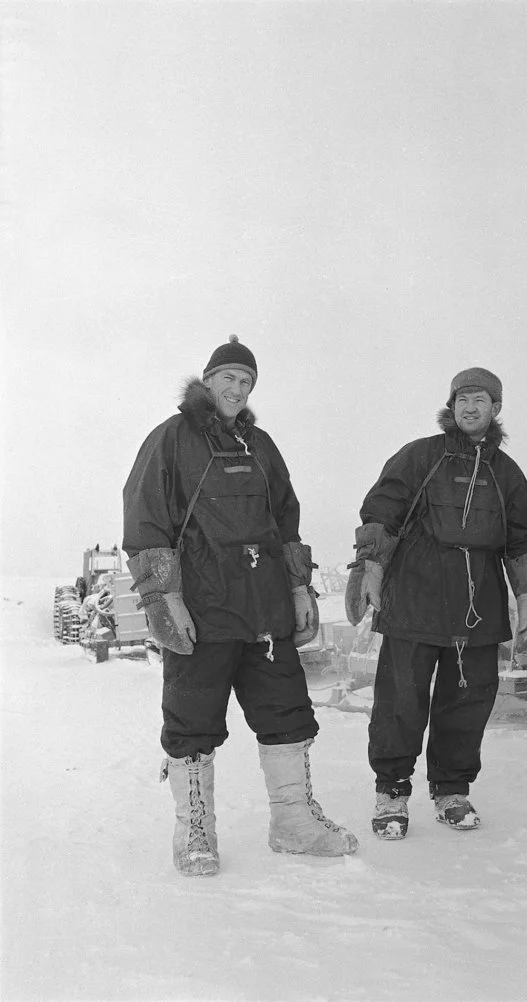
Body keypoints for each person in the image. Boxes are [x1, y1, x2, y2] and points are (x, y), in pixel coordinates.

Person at [123, 336, 358, 876]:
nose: (236, 388)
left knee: (288, 713)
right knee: (193, 722)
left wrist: (299, 589)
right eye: (227, 377)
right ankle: (195, 830)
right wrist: (165, 599)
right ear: (207, 381)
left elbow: (287, 520)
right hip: (202, 610)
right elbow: (144, 519)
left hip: (266, 608)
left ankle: (294, 821)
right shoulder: (171, 439)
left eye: (246, 381)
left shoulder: (260, 444)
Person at [346, 367, 527, 840]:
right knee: (400, 702)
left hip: (478, 604)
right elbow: (382, 511)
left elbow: (522, 540)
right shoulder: (421, 456)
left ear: (496, 408)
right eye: (463, 400)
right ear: (451, 407)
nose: (470, 408)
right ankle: (391, 791)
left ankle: (452, 790)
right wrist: (370, 568)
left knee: (468, 701)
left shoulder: (506, 472)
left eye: (480, 400)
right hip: (414, 597)